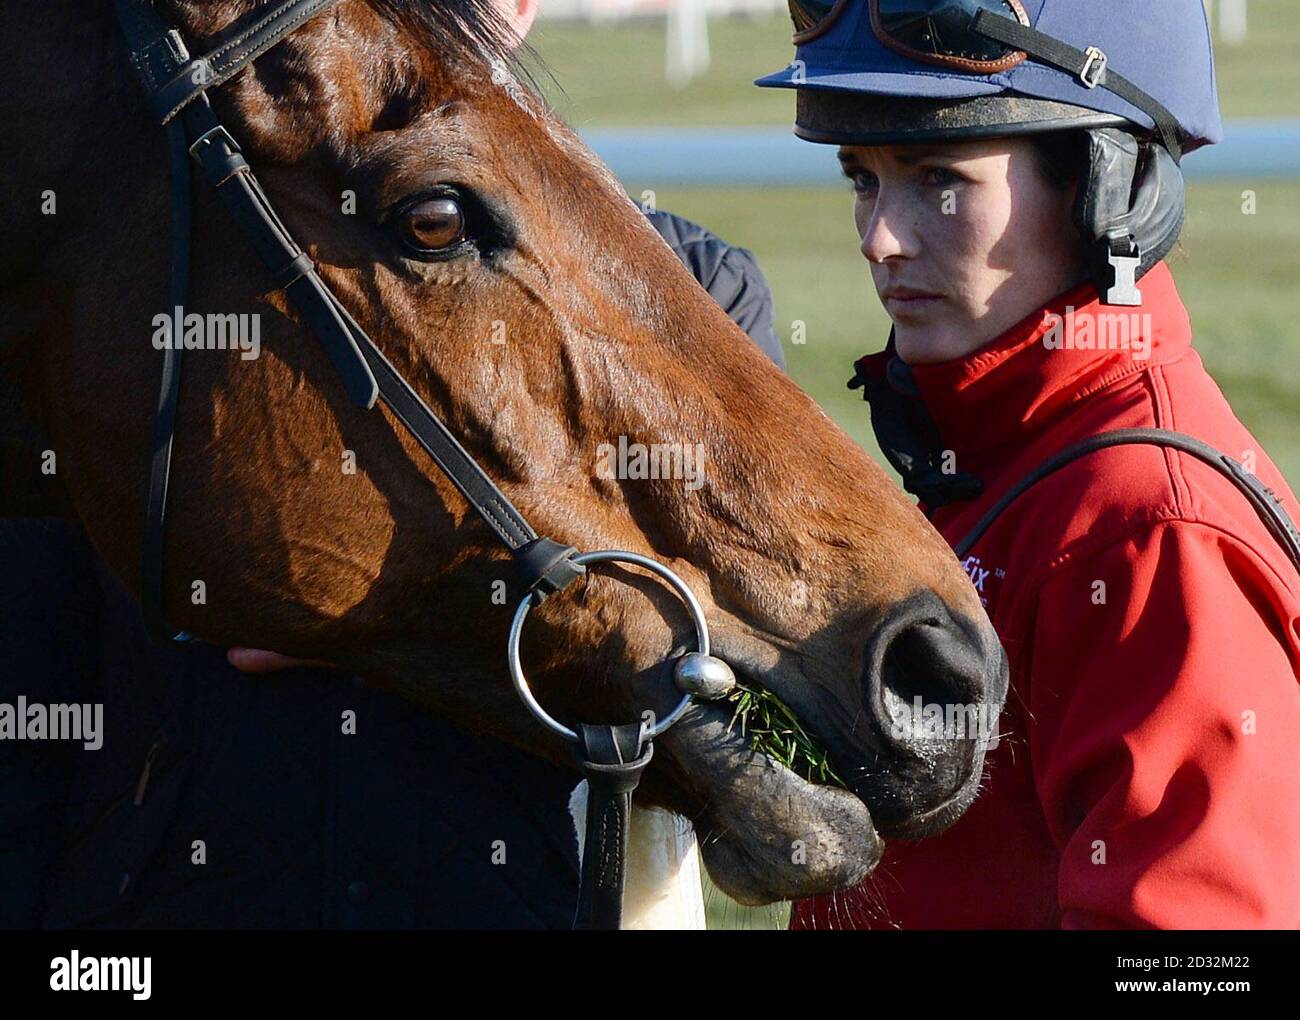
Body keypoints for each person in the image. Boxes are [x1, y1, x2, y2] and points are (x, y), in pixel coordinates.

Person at [0, 0, 781, 929]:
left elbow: (716, 664)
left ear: (521, 10)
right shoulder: (154, 267)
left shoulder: (697, 289)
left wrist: (355, 582)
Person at [756, 0, 1300, 928]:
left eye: (938, 181)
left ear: (1112, 192)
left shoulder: (1144, 531)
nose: (880, 238)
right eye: (864, 180)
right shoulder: (996, 462)